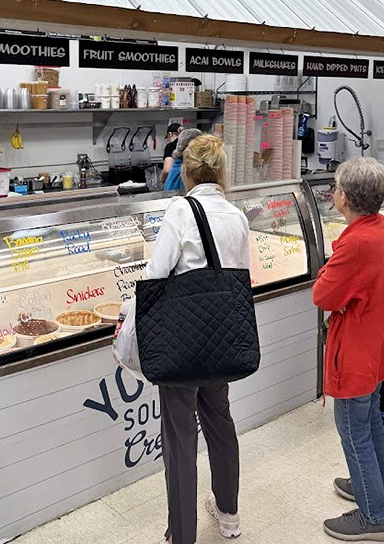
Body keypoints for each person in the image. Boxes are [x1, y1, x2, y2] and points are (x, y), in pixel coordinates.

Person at [145, 135, 249, 544]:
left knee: (179, 435)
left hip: (181, 340)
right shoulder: (236, 215)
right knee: (220, 423)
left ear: (186, 171)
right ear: (221, 170)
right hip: (221, 335)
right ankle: (229, 517)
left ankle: (182, 534)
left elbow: (155, 276)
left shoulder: (181, 211)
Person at [313, 157, 384, 542]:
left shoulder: (355, 242)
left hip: (357, 350)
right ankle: (379, 491)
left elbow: (323, 295)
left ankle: (374, 518)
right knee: (370, 420)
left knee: (353, 429)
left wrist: (328, 275)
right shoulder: (382, 227)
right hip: (377, 345)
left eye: (337, 187)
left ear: (344, 197)